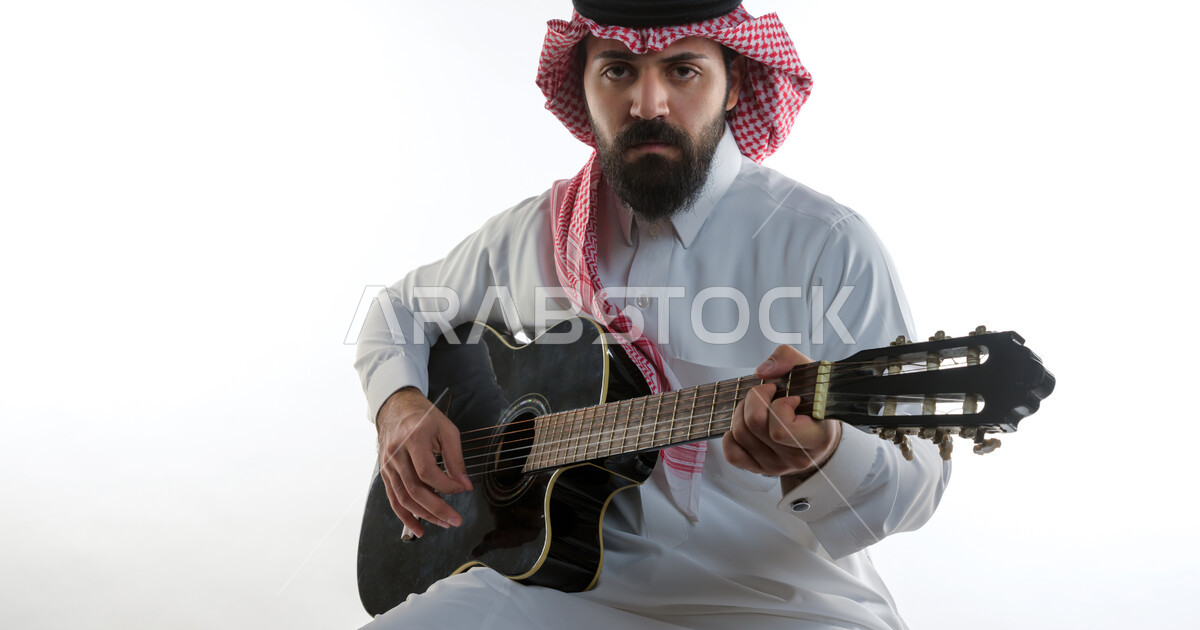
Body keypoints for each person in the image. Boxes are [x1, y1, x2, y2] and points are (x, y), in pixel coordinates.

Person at [354, 1, 950, 628]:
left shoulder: (826, 242)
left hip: (779, 599)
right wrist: (399, 405)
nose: (647, 104)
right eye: (617, 71)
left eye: (682, 71)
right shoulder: (537, 232)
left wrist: (825, 451)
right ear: (583, 88)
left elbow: (920, 479)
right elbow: (396, 311)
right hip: (549, 588)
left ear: (735, 83)